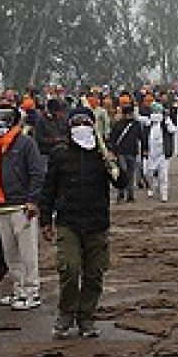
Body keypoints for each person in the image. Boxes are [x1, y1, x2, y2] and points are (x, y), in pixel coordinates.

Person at [40, 107, 127, 339]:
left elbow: (121, 183)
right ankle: (66, 313)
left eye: (85, 123)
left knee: (94, 273)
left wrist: (114, 164)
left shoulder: (102, 153)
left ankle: (86, 316)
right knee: (69, 269)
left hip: (97, 223)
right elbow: (48, 189)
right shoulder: (60, 154)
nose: (81, 128)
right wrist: (45, 220)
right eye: (76, 123)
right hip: (68, 222)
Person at [0, 105, 47, 311]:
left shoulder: (26, 144)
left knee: (27, 252)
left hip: (22, 206)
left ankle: (32, 291)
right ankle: (18, 289)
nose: (0, 125)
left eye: (4, 120)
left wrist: (32, 200)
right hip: (2, 206)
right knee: (10, 253)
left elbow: (37, 173)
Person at [108, 103, 143, 203]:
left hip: (129, 152)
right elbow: (113, 139)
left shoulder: (133, 124)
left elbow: (141, 137)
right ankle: (124, 194)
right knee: (126, 174)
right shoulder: (131, 124)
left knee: (127, 174)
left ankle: (128, 195)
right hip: (124, 152)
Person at [141, 102, 176, 202]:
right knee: (148, 172)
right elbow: (144, 136)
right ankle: (152, 186)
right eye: (154, 111)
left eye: (158, 112)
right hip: (151, 153)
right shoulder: (148, 123)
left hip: (163, 154)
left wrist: (166, 119)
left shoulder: (165, 122)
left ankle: (164, 194)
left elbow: (173, 130)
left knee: (163, 175)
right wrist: (145, 149)